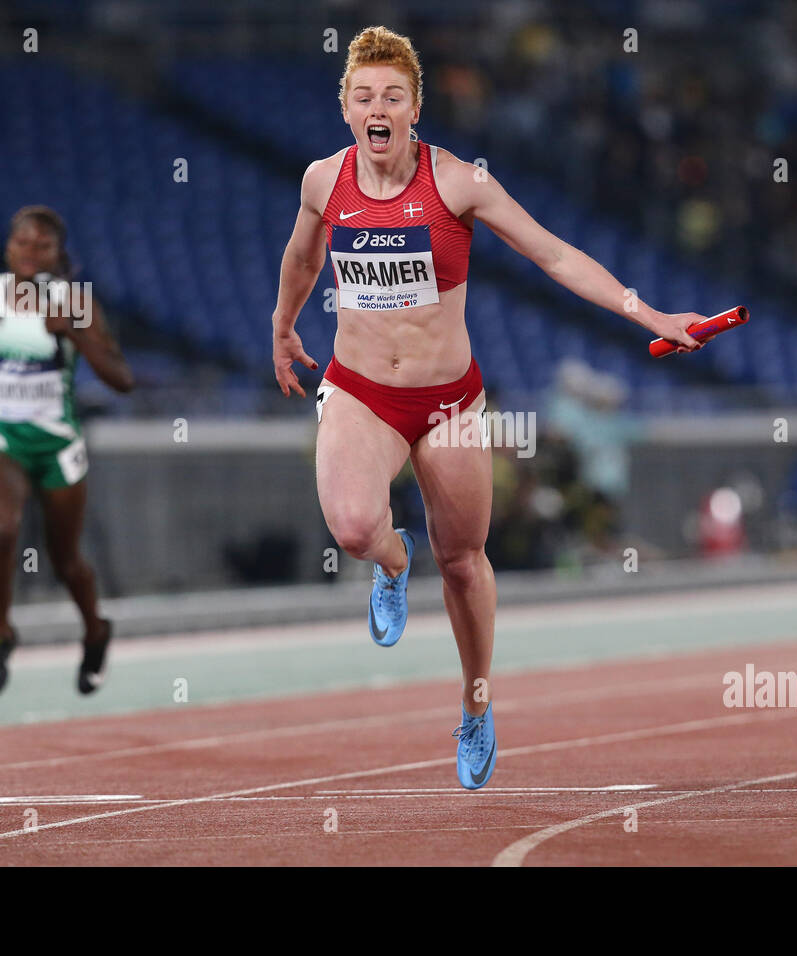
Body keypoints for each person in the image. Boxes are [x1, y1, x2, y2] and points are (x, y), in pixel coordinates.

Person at [271, 26, 704, 789]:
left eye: (393, 97)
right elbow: (305, 254)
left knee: (465, 562)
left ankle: (475, 706)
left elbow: (555, 254)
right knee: (352, 526)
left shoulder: (459, 184)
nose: (378, 108)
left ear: (414, 110)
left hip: (448, 403)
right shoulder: (321, 180)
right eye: (363, 96)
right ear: (345, 108)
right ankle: (391, 565)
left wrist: (651, 315)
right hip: (362, 390)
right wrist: (282, 327)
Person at [0, 206, 134, 695]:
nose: (30, 252)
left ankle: (95, 630)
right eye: (22, 243)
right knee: (3, 529)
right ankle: (2, 633)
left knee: (64, 558)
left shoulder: (75, 303)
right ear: (8, 247)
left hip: (56, 443)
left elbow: (122, 380)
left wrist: (71, 331)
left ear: (57, 254)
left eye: (42, 245)